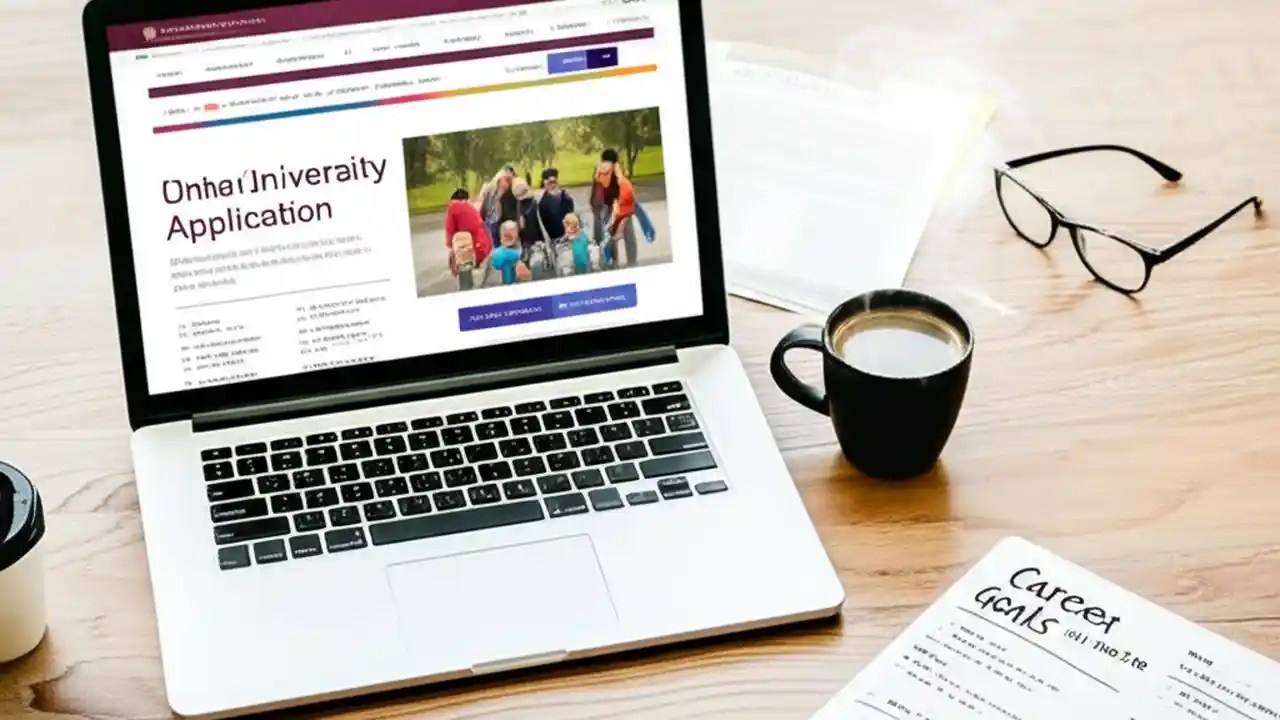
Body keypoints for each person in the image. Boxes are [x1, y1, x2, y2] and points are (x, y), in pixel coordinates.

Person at [443, 188, 492, 291]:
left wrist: (450, 246)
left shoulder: (453, 208)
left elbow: (450, 228)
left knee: (464, 268)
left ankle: (466, 289)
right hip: (482, 241)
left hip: (465, 243)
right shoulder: (471, 207)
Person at [538, 168, 576, 276]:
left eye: (552, 182)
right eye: (548, 182)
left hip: (566, 236)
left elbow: (571, 216)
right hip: (555, 238)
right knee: (560, 265)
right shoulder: (543, 202)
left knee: (567, 263)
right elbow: (545, 223)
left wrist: (567, 233)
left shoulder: (565, 197)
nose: (550, 185)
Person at [482, 220, 529, 287]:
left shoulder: (525, 254)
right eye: (505, 231)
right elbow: (484, 283)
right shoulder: (492, 257)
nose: (508, 233)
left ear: (517, 234)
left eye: (511, 231)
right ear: (500, 235)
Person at [477, 165, 515, 244]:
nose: (508, 184)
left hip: (493, 222)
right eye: (507, 180)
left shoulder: (489, 187)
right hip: (492, 222)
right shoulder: (491, 188)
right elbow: (481, 206)